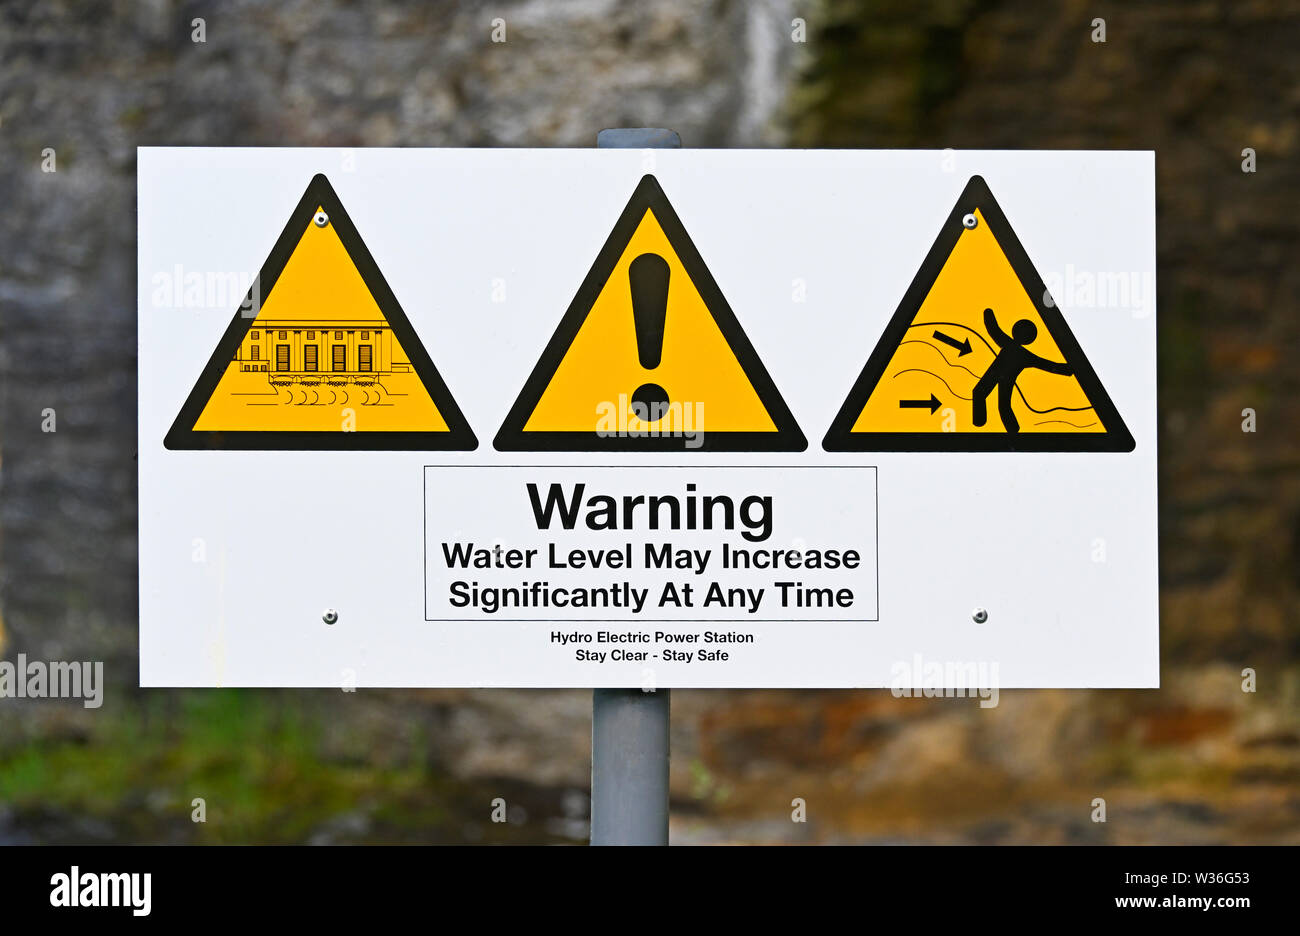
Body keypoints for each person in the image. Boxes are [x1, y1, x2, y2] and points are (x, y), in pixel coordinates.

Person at [972, 308, 1073, 433]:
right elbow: (994, 330)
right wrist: (1069, 369)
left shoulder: (1016, 348)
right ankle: (1001, 428)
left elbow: (994, 330)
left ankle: (1009, 431)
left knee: (990, 399)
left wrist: (1070, 369)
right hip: (998, 375)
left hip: (1000, 376)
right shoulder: (1016, 349)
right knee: (992, 400)